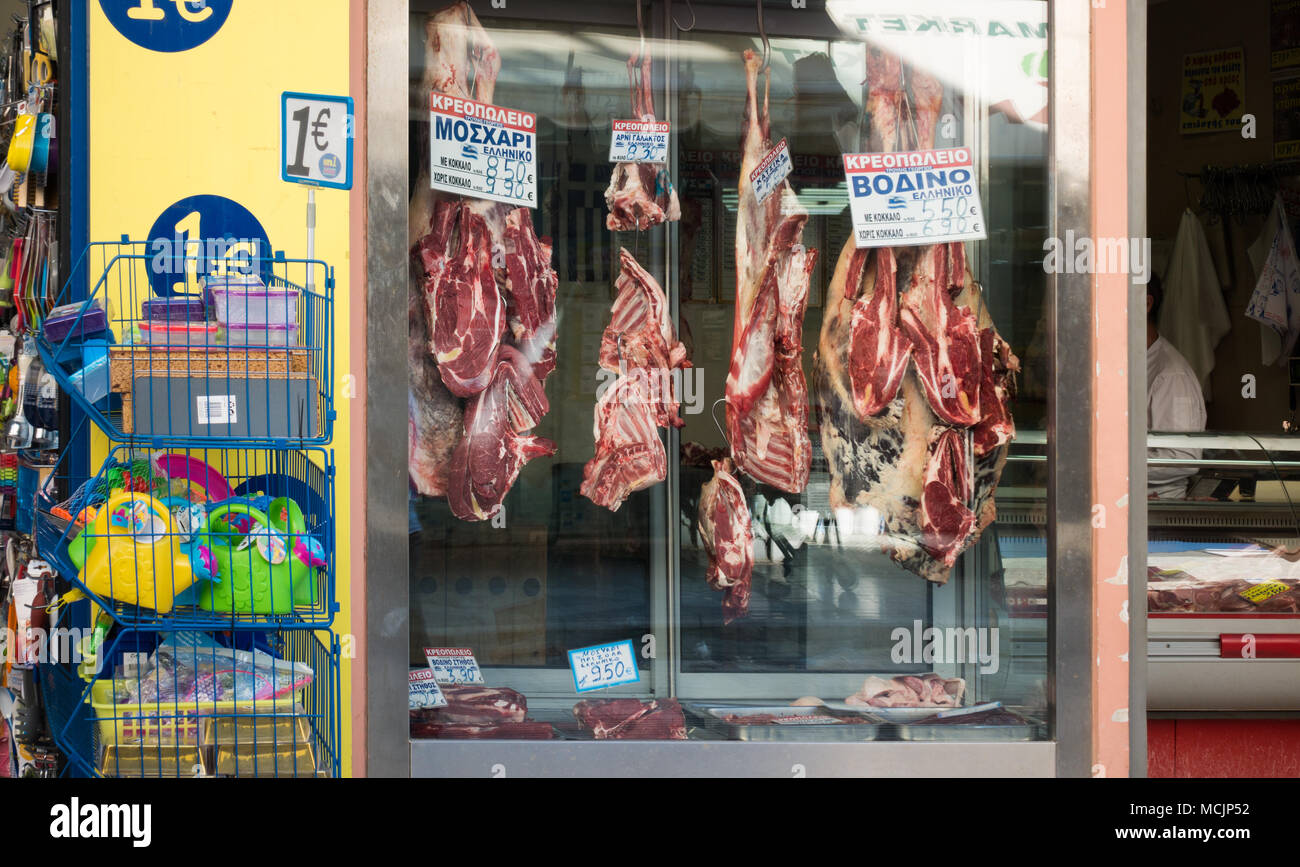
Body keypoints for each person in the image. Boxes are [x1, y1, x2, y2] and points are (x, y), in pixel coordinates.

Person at [1147, 274, 1207, 498]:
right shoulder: (1125, 363)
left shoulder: (1171, 374)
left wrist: (1112, 466)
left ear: (1145, 303)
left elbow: (1182, 459)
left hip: (1155, 510)